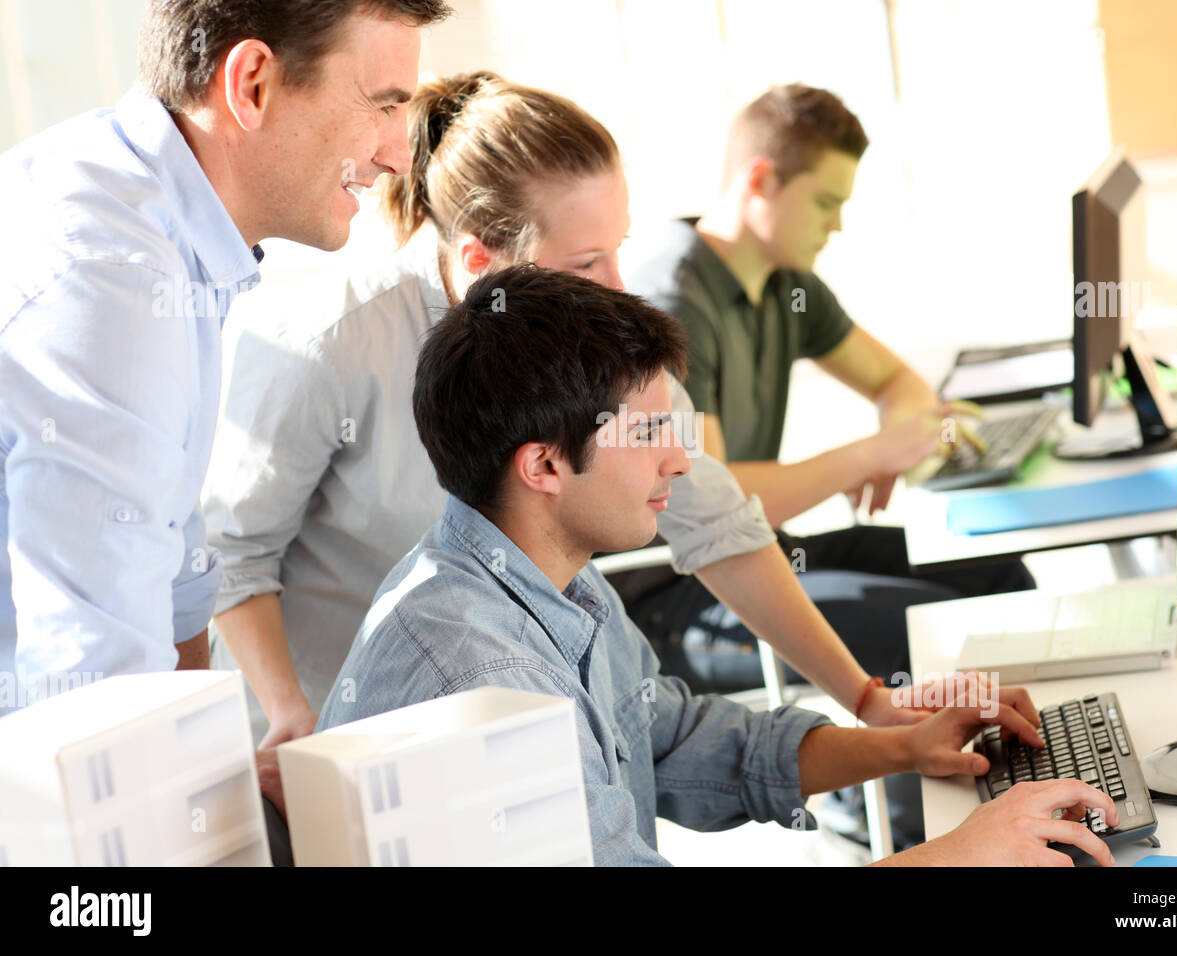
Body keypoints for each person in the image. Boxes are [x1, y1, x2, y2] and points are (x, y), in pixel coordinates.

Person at [204, 73, 951, 756]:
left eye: (619, 250)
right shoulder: (327, 347)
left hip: (518, 717)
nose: (618, 288)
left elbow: (718, 521)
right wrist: (290, 712)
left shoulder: (603, 344)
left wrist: (864, 700)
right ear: (480, 263)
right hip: (339, 741)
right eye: (585, 264)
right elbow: (231, 554)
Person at [317, 264, 1118, 867]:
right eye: (649, 435)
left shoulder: (554, 579)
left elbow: (676, 742)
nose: (678, 461)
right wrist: (952, 855)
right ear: (544, 467)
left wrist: (904, 745)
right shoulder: (480, 674)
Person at [0, 0, 448, 714]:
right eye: (382, 106)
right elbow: (101, 686)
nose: (398, 155)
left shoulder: (163, 225)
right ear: (252, 85)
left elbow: (173, 586)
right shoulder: (112, 276)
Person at [622, 83, 1036, 692]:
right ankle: (920, 780)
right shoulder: (673, 298)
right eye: (824, 203)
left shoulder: (789, 284)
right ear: (760, 180)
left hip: (769, 551)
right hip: (685, 589)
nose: (837, 225)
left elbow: (900, 382)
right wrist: (870, 456)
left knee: (998, 576)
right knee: (922, 639)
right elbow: (712, 500)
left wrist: (899, 436)